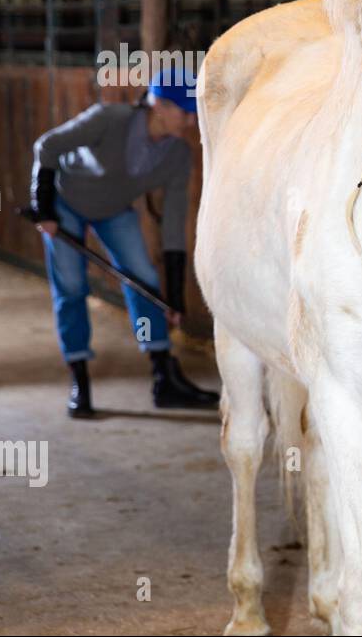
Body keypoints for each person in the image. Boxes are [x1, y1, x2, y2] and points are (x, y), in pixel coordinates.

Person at [29, 63, 221, 418]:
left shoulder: (177, 155)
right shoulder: (110, 118)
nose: (192, 122)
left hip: (114, 210)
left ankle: (163, 375)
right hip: (65, 202)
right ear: (160, 106)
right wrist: (43, 208)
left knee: (144, 280)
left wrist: (174, 296)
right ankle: (80, 380)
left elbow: (174, 226)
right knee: (71, 287)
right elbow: (48, 146)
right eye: (187, 113)